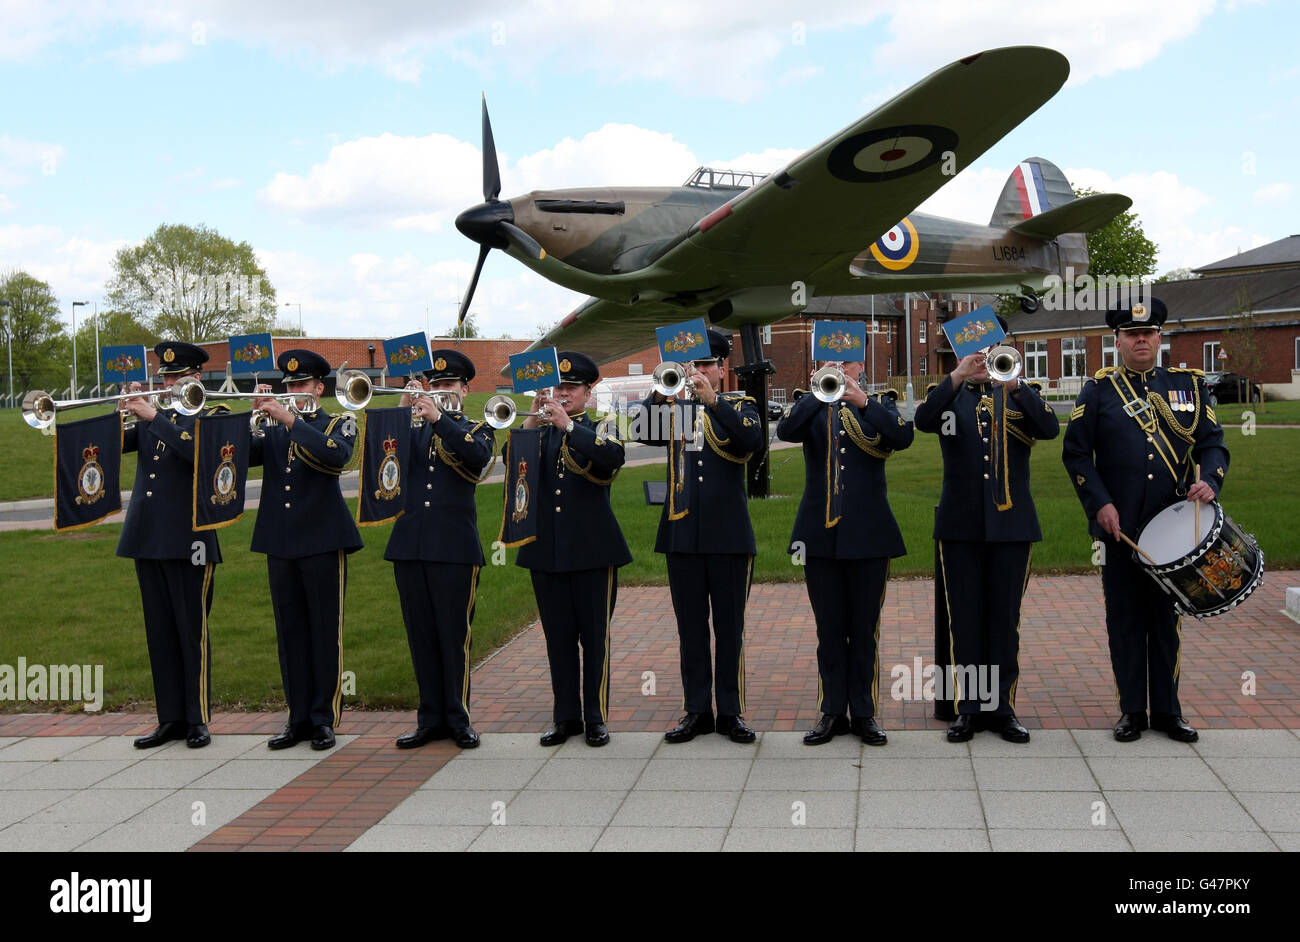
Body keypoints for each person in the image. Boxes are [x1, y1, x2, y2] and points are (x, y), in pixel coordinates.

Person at [1062, 298, 1227, 743]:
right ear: (1117, 341)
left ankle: (1168, 712)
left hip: (1173, 528)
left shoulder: (1188, 386)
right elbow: (1076, 453)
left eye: (1148, 333)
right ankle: (1133, 710)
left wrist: (1210, 479)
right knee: (1125, 620)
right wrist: (1099, 503)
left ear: (1159, 338)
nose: (1140, 340)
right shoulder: (1099, 391)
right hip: (1122, 530)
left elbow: (1213, 444)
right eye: (1131, 334)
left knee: (1166, 620)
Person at [914, 321, 1059, 743]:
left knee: (1003, 620)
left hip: (1012, 526)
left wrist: (1015, 386)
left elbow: (1048, 428)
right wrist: (956, 376)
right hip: (960, 526)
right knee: (965, 620)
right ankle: (969, 709)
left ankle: (1003, 708)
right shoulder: (950, 396)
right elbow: (923, 421)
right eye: (973, 352)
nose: (982, 359)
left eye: (988, 350)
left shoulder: (1016, 391)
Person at [631, 329, 763, 744]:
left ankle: (731, 712)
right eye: (694, 366)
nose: (700, 372)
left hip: (729, 536)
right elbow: (639, 431)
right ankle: (696, 710)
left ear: (723, 369)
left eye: (707, 365)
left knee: (729, 629)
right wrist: (662, 388)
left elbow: (751, 440)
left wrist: (712, 400)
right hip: (682, 534)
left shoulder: (741, 404)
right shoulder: (674, 408)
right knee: (690, 629)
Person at [777, 359, 913, 746]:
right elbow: (787, 431)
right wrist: (819, 392)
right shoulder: (812, 402)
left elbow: (902, 438)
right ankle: (832, 710)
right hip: (818, 534)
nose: (838, 367)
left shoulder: (880, 403)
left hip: (869, 534)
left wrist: (862, 401)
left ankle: (865, 713)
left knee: (864, 630)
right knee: (830, 629)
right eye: (827, 361)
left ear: (862, 364)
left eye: (846, 361)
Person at [512, 352, 631, 747]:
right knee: (557, 638)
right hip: (546, 550)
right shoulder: (538, 431)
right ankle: (565, 717)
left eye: (570, 389)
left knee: (594, 638)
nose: (562, 395)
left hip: (593, 550)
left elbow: (612, 457)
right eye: (558, 388)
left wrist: (568, 427)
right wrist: (533, 414)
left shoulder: (603, 425)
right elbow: (511, 465)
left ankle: (596, 717)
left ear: (587, 392)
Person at [250, 349, 363, 751]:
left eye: (301, 385)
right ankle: (296, 717)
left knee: (323, 631)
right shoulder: (273, 427)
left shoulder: (339, 422)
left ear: (319, 387)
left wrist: (289, 419)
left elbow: (336, 457)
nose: (293, 391)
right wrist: (254, 418)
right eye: (289, 386)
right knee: (290, 632)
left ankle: (323, 718)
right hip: (279, 540)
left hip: (323, 539)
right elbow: (240, 458)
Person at [118, 341, 227, 749]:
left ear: (195, 377)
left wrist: (151, 415)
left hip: (191, 538)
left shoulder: (211, 414)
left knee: (191, 629)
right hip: (147, 536)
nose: (167, 383)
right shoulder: (154, 415)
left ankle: (197, 719)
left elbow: (200, 454)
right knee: (159, 632)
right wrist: (124, 411)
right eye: (163, 376)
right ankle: (170, 719)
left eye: (176, 376)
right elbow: (117, 448)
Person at [385, 351, 494, 750]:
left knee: (453, 636)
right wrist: (401, 412)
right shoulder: (411, 429)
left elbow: (477, 460)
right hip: (411, 545)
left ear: (465, 389)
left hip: (454, 547)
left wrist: (437, 418)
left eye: (449, 385)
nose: (441, 391)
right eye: (436, 385)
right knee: (421, 637)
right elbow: (381, 463)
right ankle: (429, 718)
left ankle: (458, 717)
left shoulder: (478, 428)